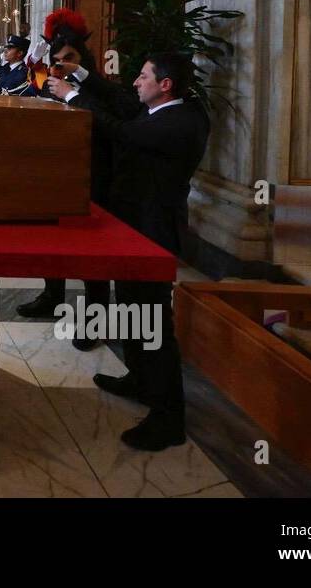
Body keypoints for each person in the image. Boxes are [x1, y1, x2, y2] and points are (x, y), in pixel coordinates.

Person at [57, 52, 208, 451]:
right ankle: (138, 379)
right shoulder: (158, 108)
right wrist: (82, 75)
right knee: (130, 308)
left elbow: (121, 132)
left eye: (143, 77)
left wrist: (73, 97)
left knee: (155, 324)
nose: (136, 82)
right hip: (132, 229)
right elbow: (119, 99)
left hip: (153, 233)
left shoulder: (182, 122)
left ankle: (168, 418)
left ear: (166, 84)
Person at [18, 9, 138, 348]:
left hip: (94, 174)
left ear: (82, 57)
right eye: (57, 58)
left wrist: (74, 89)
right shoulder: (47, 82)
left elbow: (110, 124)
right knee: (50, 241)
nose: (61, 64)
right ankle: (52, 295)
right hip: (55, 172)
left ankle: (95, 315)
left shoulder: (99, 88)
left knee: (92, 250)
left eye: (69, 58)